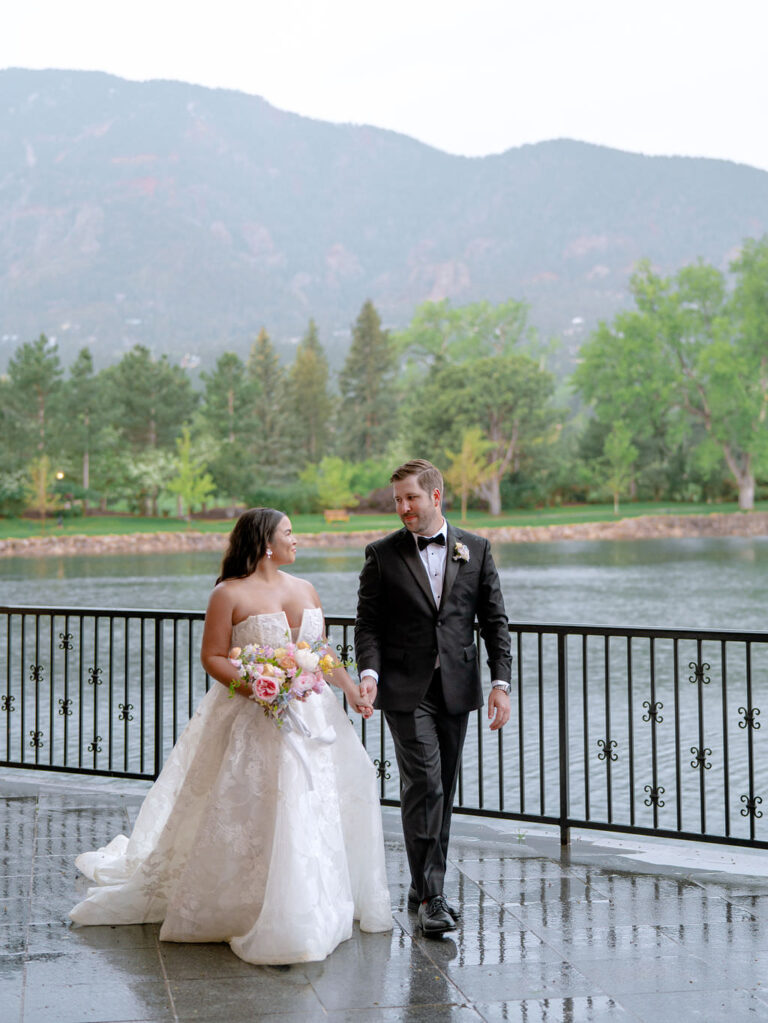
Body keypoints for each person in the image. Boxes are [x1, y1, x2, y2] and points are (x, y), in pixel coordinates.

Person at [70, 507, 392, 964]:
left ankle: (313, 899)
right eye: (289, 533)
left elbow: (321, 653)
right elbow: (213, 657)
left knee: (313, 804)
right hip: (254, 715)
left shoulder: (306, 588)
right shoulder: (229, 594)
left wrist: (351, 689)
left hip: (315, 719)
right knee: (258, 806)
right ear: (265, 543)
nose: (296, 540)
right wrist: (259, 687)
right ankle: (247, 901)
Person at [355, 459, 512, 934]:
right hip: (404, 690)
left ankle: (422, 884)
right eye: (397, 499)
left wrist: (500, 684)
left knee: (441, 789)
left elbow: (495, 622)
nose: (402, 507)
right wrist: (369, 674)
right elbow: (368, 625)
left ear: (436, 497)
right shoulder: (381, 554)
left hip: (457, 688)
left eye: (411, 498)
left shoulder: (477, 550)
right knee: (425, 785)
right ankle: (432, 898)